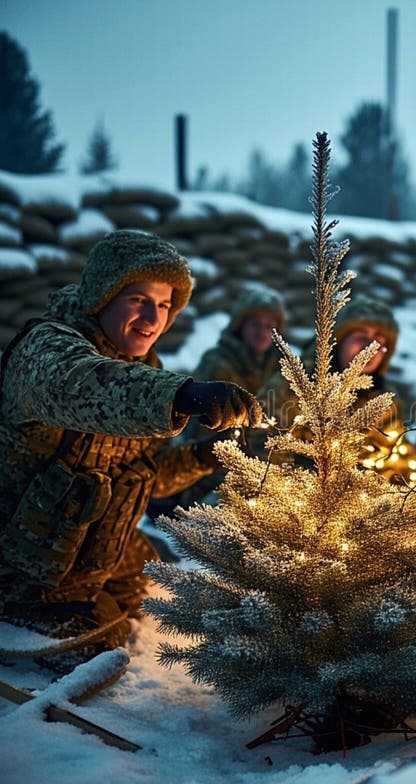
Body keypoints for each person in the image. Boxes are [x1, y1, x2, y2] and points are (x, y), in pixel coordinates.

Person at [0, 229, 262, 672]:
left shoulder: (143, 370)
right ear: (102, 297)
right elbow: (82, 385)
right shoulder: (45, 350)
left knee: (156, 583)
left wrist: (203, 457)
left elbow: (146, 475)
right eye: (138, 299)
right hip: (22, 561)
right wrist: (181, 397)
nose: (153, 318)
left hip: (88, 549)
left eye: (164, 305)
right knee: (103, 638)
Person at [148, 284, 288, 515]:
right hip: (216, 462)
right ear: (240, 326)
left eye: (270, 326)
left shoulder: (281, 366)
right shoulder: (218, 364)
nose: (263, 332)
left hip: (266, 457)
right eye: (255, 324)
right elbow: (208, 432)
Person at [263, 296, 416, 483]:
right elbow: (263, 442)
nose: (369, 348)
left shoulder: (386, 402)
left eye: (379, 343)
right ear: (339, 342)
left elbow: (397, 456)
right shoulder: (295, 384)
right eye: (361, 337)